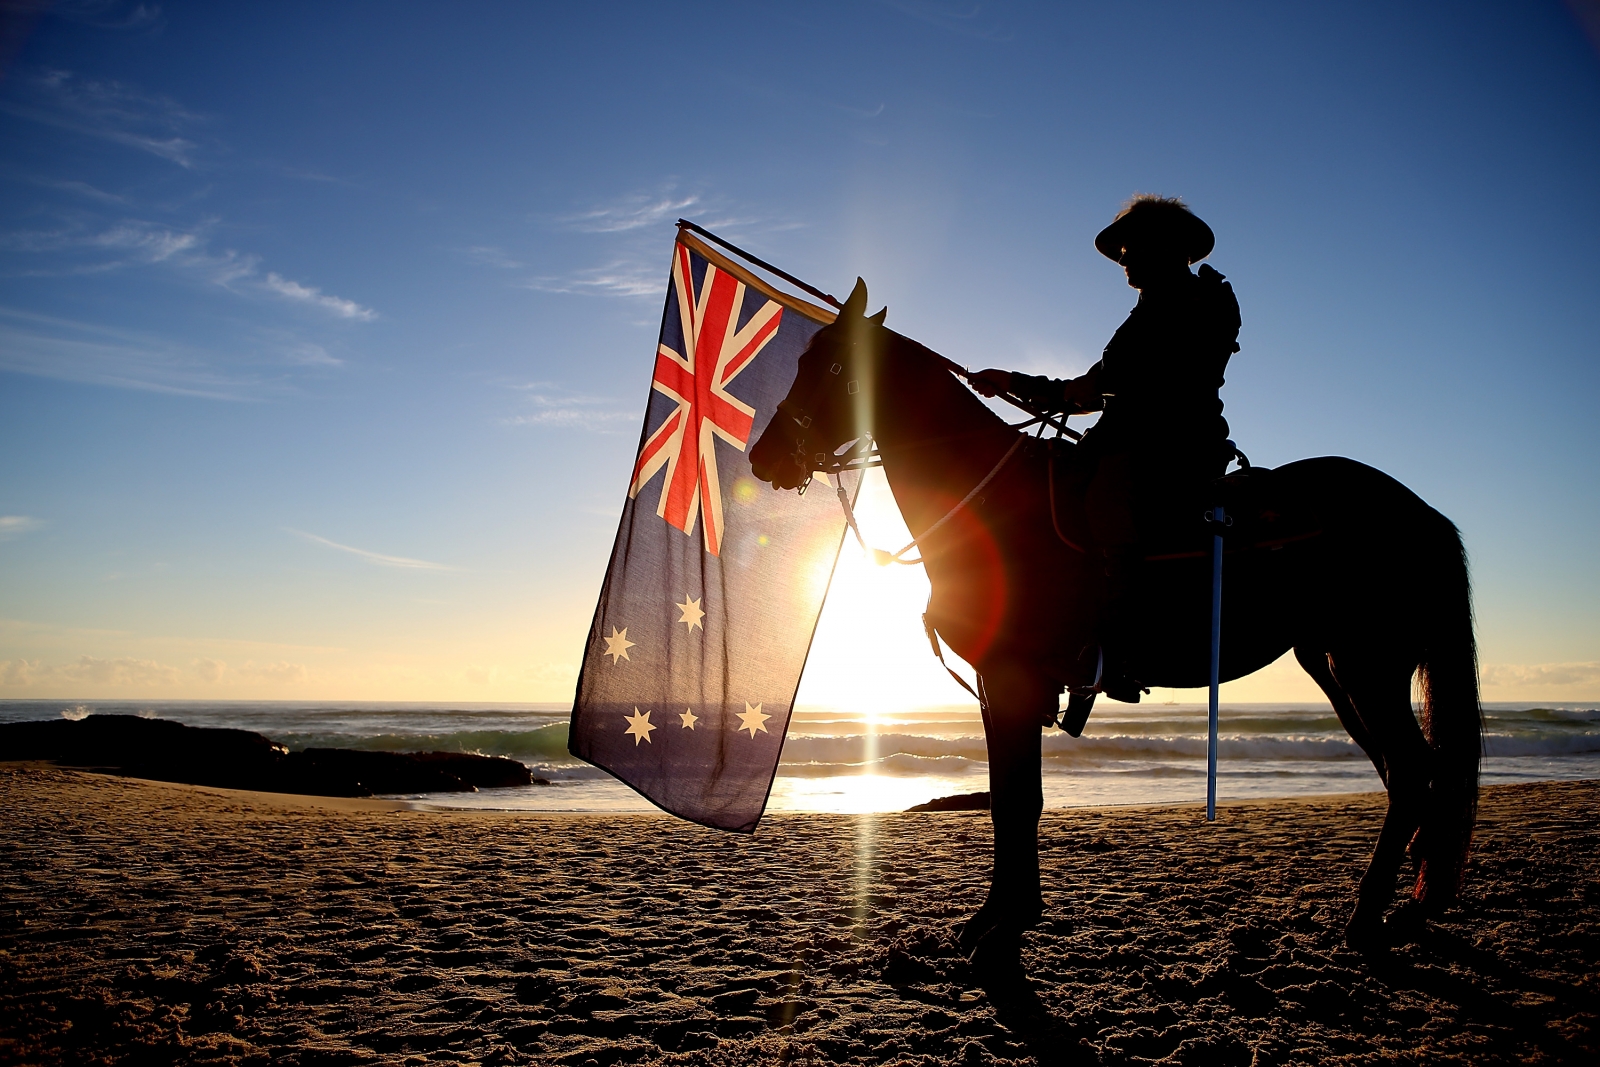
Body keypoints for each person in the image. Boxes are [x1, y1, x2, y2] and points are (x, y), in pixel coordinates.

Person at [971, 195, 1241, 700]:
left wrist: (1080, 392)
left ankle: (1116, 652)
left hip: (1172, 445)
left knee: (1106, 501)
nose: (1124, 258)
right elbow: (1095, 384)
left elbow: (1123, 383)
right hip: (1129, 437)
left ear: (1167, 247)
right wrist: (1015, 380)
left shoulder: (1195, 302)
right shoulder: (1152, 307)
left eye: (1132, 247)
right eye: (1122, 249)